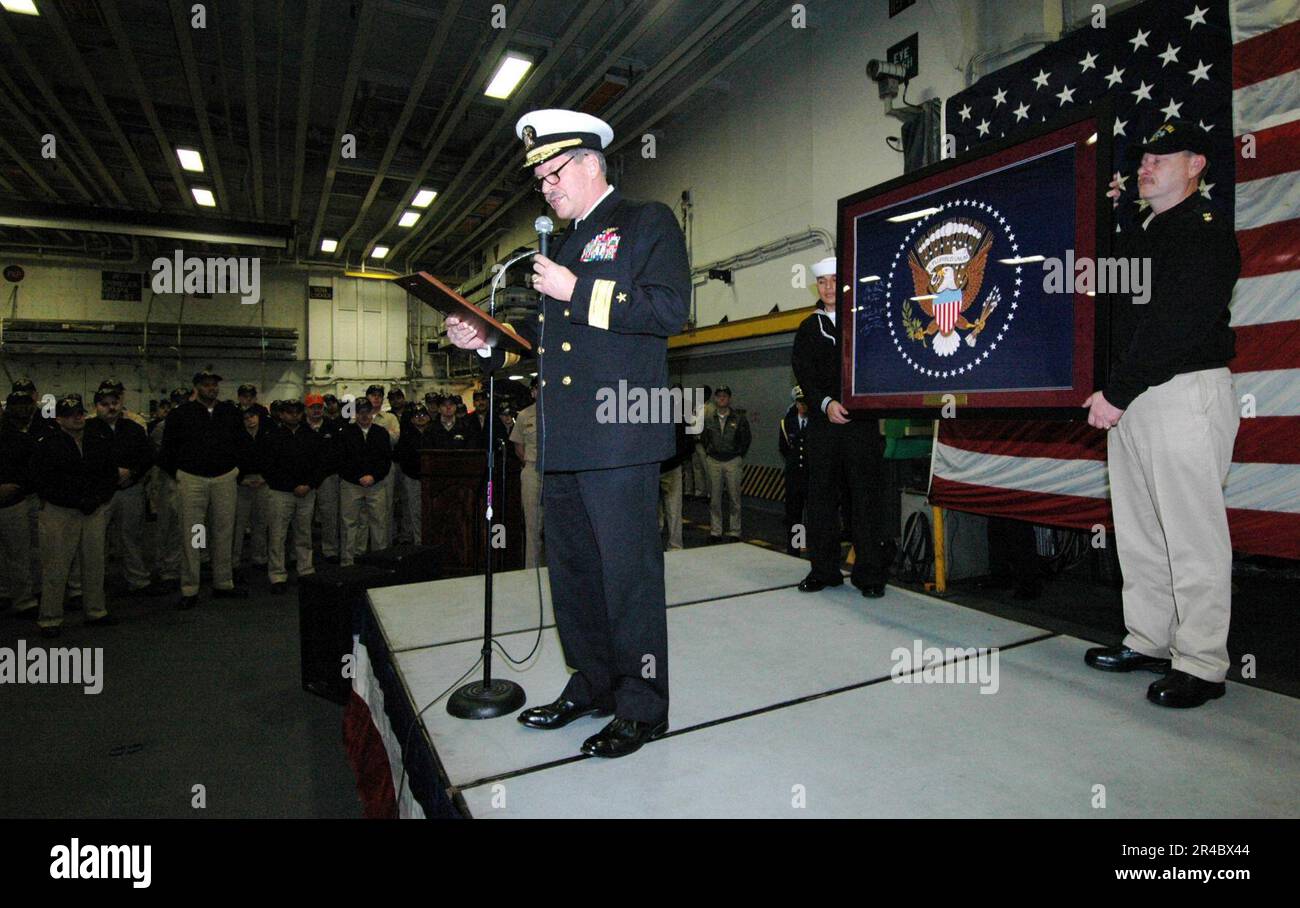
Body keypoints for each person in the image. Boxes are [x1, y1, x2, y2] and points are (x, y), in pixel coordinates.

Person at [446, 108, 690, 758]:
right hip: (564, 443)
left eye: (554, 174)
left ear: (590, 163)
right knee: (574, 576)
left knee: (627, 579)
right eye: (541, 182)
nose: (547, 189)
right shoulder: (562, 246)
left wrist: (577, 290)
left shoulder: (646, 222)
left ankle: (642, 707)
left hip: (619, 438)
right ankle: (592, 684)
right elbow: (547, 352)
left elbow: (671, 310)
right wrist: (485, 345)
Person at [1083, 120, 1241, 709]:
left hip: (1181, 390)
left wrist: (1117, 391)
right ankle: (1150, 638)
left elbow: (1175, 324)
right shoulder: (1148, 232)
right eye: (1143, 159)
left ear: (1196, 165)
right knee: (1142, 529)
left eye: (1162, 157)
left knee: (1191, 532)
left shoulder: (1201, 231)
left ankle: (1202, 663)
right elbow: (1115, 307)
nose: (1146, 166)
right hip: (1137, 395)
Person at [791, 256, 887, 598]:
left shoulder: (866, 322)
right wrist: (825, 404)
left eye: (834, 280)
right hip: (822, 425)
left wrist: (861, 403)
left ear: (844, 283)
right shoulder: (808, 327)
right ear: (816, 286)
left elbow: (877, 369)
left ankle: (870, 575)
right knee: (820, 498)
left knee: (864, 499)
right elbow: (804, 374)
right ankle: (824, 570)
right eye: (822, 282)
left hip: (860, 425)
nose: (828, 287)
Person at [30, 395, 119, 637]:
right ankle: (50, 619)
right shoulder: (46, 443)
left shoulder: (98, 439)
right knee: (56, 567)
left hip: (93, 510)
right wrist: (76, 501)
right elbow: (42, 481)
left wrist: (99, 499)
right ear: (59, 418)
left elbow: (110, 473)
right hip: (60, 511)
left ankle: (96, 611)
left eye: (80, 412)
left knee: (94, 564)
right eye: (70, 414)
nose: (77, 417)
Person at [160, 369, 249, 609]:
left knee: (223, 531)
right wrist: (178, 473)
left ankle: (223, 582)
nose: (212, 388)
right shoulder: (181, 414)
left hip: (224, 479)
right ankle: (190, 587)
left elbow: (242, 444)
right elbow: (167, 449)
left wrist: (237, 471)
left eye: (214, 384)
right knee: (193, 534)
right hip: (192, 480)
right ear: (197, 387)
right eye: (207, 384)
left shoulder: (229, 412)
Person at [87, 383, 163, 596]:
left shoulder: (134, 428)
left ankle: (137, 579)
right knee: (96, 540)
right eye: (105, 404)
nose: (110, 408)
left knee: (132, 537)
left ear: (120, 404)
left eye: (114, 403)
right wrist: (112, 474)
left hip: (130, 490)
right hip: (100, 493)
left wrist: (133, 473)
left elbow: (148, 456)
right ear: (96, 407)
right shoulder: (87, 430)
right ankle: (93, 582)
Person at [263, 398, 322, 593]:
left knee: (304, 534)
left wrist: (309, 484)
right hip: (281, 493)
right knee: (277, 536)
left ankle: (305, 571)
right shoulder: (272, 436)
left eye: (296, 411)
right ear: (281, 414)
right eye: (289, 412)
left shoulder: (311, 436)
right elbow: (269, 468)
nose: (293, 415)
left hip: (306, 492)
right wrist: (292, 486)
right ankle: (277, 575)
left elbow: (319, 464)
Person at [337, 397, 391, 566]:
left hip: (376, 484)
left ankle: (380, 561)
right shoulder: (345, 433)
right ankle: (348, 562)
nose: (364, 415)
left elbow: (386, 460)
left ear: (372, 413)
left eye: (367, 411)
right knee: (349, 524)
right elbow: (341, 461)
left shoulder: (381, 433)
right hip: (351, 484)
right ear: (355, 414)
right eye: (360, 412)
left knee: (379, 523)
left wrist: (373, 476)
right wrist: (357, 477)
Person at [0, 393, 38, 619]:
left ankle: (24, 599)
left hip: (14, 502)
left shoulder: (18, 439)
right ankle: (4, 593)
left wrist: (13, 487)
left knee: (19, 553)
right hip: (11, 500)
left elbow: (30, 471)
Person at [700, 386, 751, 542]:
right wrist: (709, 452)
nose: (722, 398)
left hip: (732, 461)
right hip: (714, 460)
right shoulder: (709, 418)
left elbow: (746, 439)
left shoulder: (739, 418)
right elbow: (704, 438)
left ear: (729, 399)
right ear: (715, 399)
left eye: (725, 396)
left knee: (734, 498)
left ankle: (735, 531)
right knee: (715, 498)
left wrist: (738, 454)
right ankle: (716, 531)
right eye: (719, 396)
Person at [305, 393, 344, 564]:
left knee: (329, 516)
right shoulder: (300, 428)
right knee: (304, 518)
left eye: (319, 407)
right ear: (307, 409)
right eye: (313, 407)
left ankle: (330, 550)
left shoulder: (331, 427)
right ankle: (303, 553)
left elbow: (337, 453)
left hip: (328, 477)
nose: (316, 411)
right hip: (305, 479)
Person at [232, 408, 271, 577]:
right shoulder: (237, 437)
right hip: (242, 483)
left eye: (253, 416)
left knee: (261, 523)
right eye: (246, 418)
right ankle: (233, 561)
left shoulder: (267, 436)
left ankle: (260, 558)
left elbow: (273, 459)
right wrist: (241, 479)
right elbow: (231, 459)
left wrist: (265, 477)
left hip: (263, 482)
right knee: (238, 525)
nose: (250, 420)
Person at [510, 380, 544, 566]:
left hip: (555, 473)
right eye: (537, 388)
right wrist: (531, 464)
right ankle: (532, 569)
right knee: (532, 525)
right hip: (532, 469)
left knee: (557, 526)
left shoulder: (560, 414)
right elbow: (518, 448)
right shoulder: (524, 416)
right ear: (533, 392)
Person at [392, 402, 436, 546]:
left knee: (433, 510)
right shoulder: (406, 436)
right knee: (415, 511)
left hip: (433, 479)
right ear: (411, 419)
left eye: (423, 415)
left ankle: (432, 540)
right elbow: (402, 458)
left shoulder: (435, 432)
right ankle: (419, 542)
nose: (420, 418)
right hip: (413, 478)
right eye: (417, 415)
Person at [779, 388, 810, 557]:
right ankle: (795, 548)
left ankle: (815, 549)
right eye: (800, 403)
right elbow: (784, 448)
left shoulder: (816, 423)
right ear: (796, 404)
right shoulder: (786, 424)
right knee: (794, 515)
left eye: (805, 403)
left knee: (814, 514)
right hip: (794, 477)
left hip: (811, 476)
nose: (803, 406)